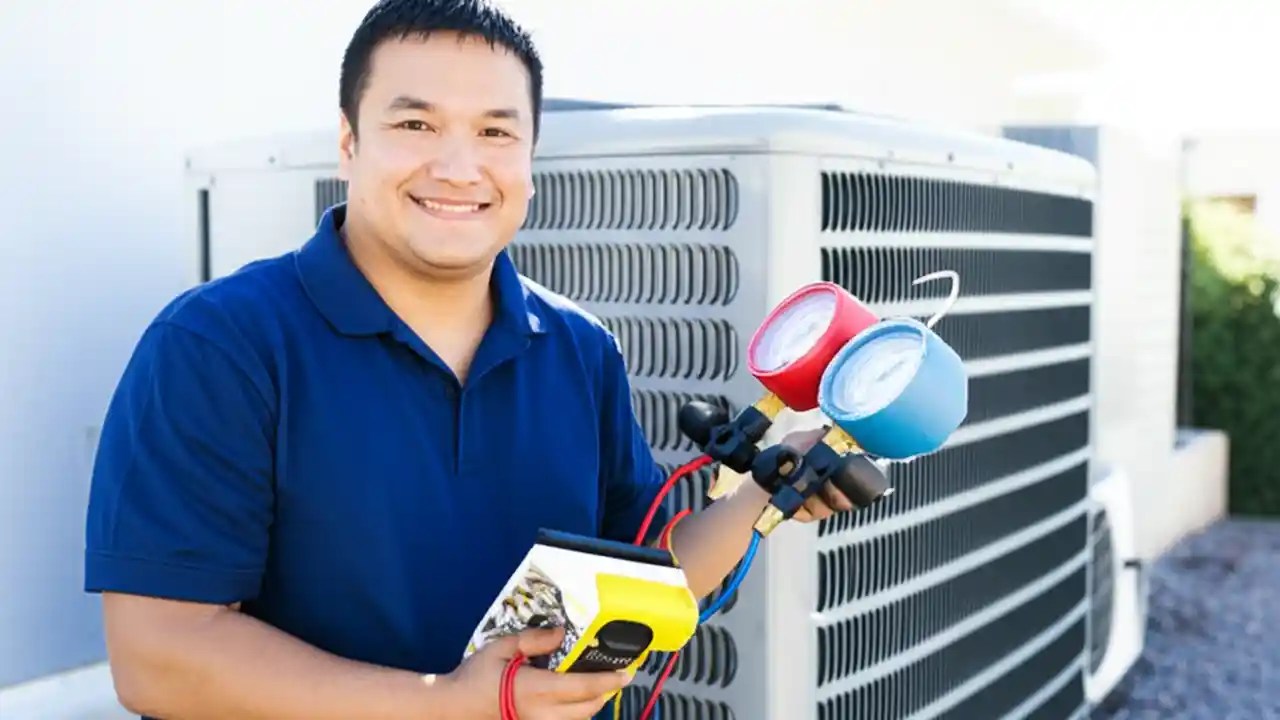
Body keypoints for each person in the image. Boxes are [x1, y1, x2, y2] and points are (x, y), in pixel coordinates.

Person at [83, 1, 854, 718]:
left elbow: (646, 573)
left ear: (530, 158)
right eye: (415, 124)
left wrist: (764, 495)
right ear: (349, 143)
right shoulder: (219, 346)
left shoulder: (581, 350)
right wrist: (448, 704)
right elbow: (158, 656)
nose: (458, 167)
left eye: (495, 132)